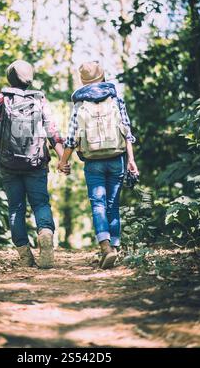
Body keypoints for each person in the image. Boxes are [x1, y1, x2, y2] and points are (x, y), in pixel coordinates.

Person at [0, 60, 68, 269]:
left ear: (9, 77)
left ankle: (25, 256)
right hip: (36, 163)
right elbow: (52, 132)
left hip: (8, 164)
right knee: (40, 204)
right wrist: (63, 160)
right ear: (30, 80)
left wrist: (2, 141)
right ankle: (45, 233)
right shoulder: (40, 100)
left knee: (15, 208)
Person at [58, 61, 139, 269]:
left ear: (83, 81)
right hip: (116, 159)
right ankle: (116, 247)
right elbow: (127, 130)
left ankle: (105, 248)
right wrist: (131, 160)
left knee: (98, 204)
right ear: (102, 77)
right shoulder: (115, 98)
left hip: (93, 161)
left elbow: (72, 138)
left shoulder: (79, 103)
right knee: (113, 205)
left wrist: (63, 161)